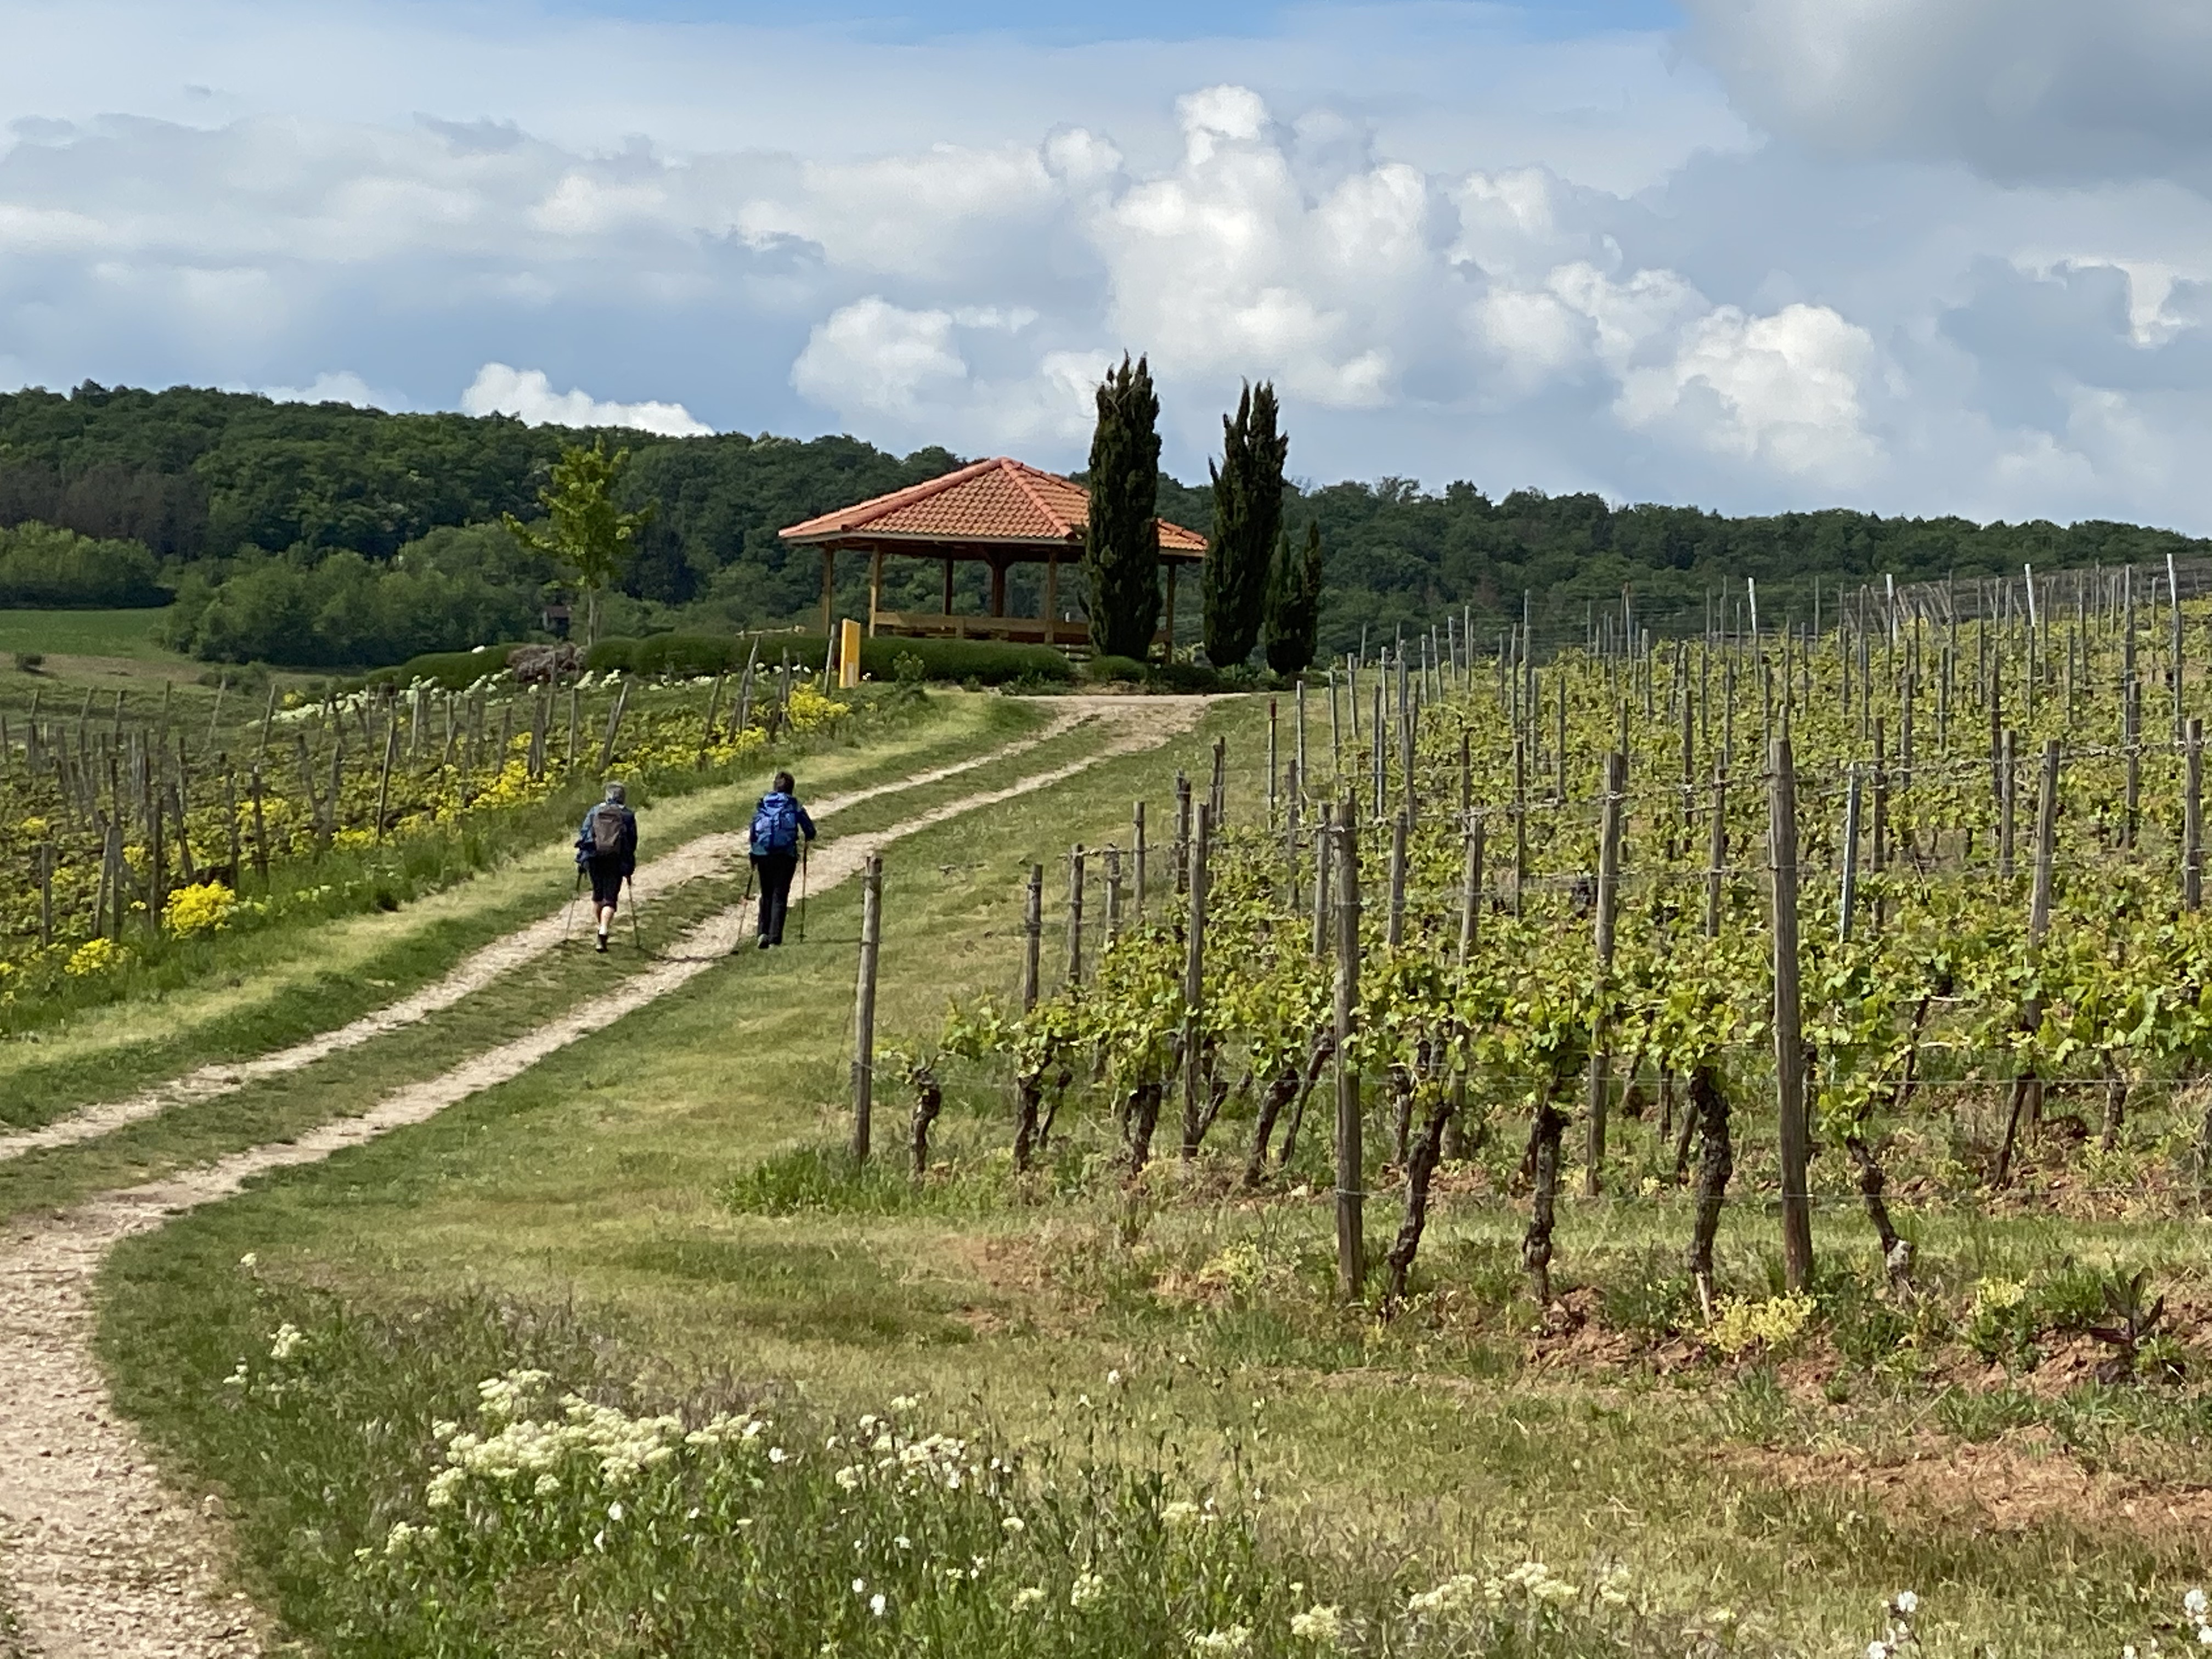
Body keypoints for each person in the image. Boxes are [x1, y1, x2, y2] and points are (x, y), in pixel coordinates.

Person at [748, 770, 816, 949]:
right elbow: (810, 830)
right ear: (791, 789)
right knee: (780, 894)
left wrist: (754, 853)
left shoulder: (763, 804)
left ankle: (762, 933)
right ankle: (774, 938)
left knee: (766, 893)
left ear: (774, 786)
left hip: (762, 853)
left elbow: (753, 830)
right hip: (785, 855)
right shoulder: (794, 805)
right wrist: (808, 836)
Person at [577, 781, 639, 953]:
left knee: (598, 896)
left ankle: (601, 929)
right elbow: (632, 842)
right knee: (610, 898)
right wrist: (628, 865)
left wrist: (582, 859)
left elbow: (585, 834)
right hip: (616, 859)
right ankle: (603, 931)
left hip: (595, 858)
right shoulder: (627, 815)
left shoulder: (595, 811)